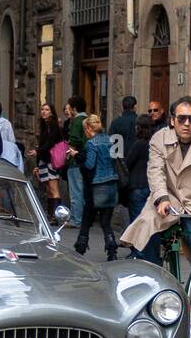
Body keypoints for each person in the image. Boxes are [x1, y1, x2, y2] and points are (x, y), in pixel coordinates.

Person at [121, 97, 191, 325]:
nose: (187, 123)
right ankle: (152, 293)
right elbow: (155, 172)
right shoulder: (158, 139)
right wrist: (161, 198)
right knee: (147, 240)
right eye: (182, 118)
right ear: (172, 120)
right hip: (166, 200)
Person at [74, 115, 120, 260]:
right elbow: (116, 160)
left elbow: (89, 164)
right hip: (112, 185)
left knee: (87, 220)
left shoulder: (91, 144)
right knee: (106, 222)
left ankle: (80, 249)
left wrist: (77, 156)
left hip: (96, 187)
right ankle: (112, 248)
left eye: (85, 129)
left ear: (88, 128)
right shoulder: (111, 140)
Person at [124, 116, 158, 262]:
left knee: (138, 222)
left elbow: (128, 163)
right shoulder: (155, 144)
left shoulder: (139, 144)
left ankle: (139, 254)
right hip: (151, 187)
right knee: (152, 222)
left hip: (137, 187)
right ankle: (153, 255)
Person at [34, 102, 64, 219]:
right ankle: (50, 214)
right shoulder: (44, 126)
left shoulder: (53, 125)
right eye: (42, 109)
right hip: (44, 160)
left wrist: (38, 151)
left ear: (51, 112)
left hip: (51, 160)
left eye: (46, 110)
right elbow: (42, 144)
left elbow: (50, 143)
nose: (43, 112)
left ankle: (57, 216)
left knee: (53, 188)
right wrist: (37, 163)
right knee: (48, 189)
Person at [64, 95, 88, 226]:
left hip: (75, 161)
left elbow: (73, 140)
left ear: (74, 108)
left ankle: (76, 219)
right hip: (85, 159)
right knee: (82, 190)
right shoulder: (87, 119)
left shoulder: (77, 121)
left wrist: (69, 151)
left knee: (76, 192)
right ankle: (82, 218)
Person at [109, 96, 139, 162]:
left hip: (121, 160)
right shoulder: (140, 121)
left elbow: (111, 143)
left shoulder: (116, 122)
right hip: (137, 160)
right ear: (134, 107)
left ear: (122, 107)